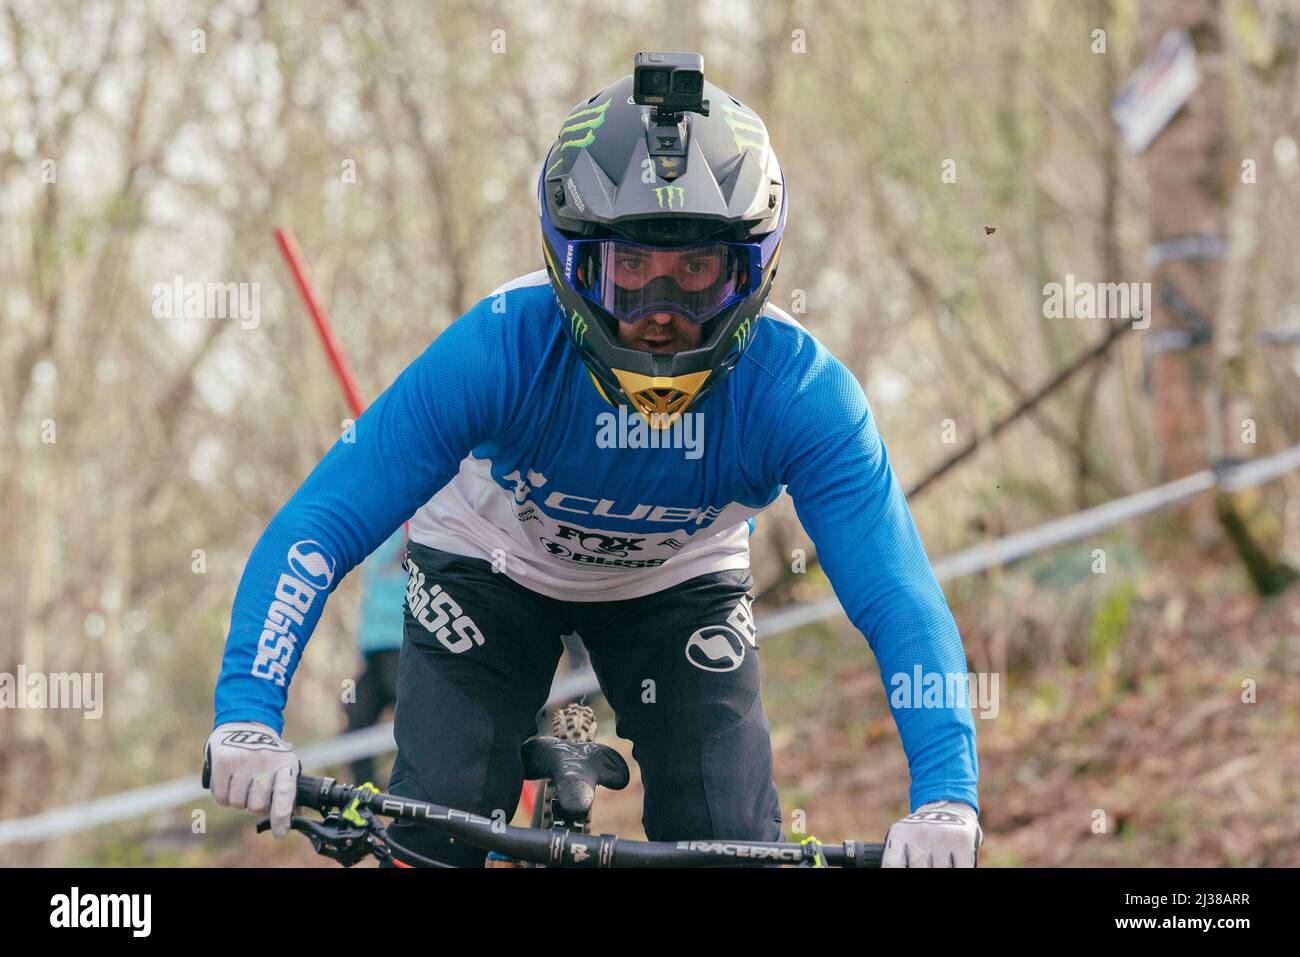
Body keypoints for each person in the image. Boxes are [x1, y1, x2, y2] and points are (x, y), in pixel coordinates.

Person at [205, 54, 981, 868]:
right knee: (440, 824)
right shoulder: (497, 348)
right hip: (485, 567)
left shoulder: (803, 395)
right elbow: (319, 523)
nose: (659, 313)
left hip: (677, 583)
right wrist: (249, 711)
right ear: (572, 265)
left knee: (729, 836)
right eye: (629, 270)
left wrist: (945, 796)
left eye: (695, 274)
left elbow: (897, 594)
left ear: (751, 271)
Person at [341, 527, 406, 785]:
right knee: (356, 712)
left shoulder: (416, 521)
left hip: (403, 644)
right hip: (374, 648)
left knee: (414, 711)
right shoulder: (372, 531)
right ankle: (365, 795)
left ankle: (416, 789)